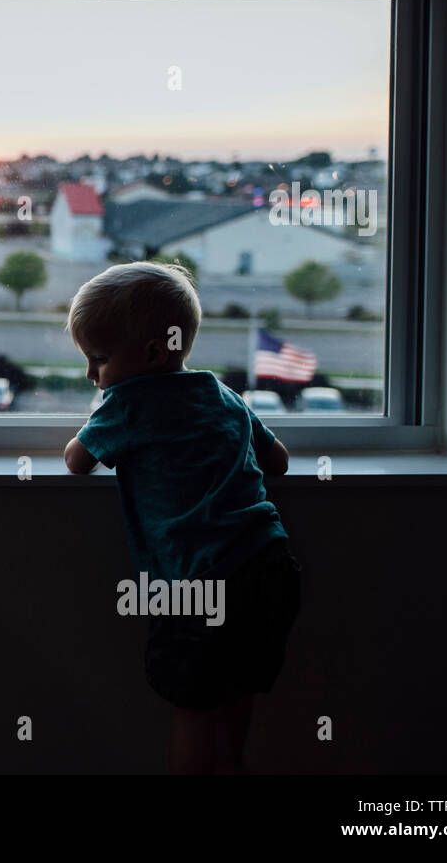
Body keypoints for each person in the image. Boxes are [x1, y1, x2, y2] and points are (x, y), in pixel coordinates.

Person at [63, 261, 301, 774]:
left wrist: (101, 411)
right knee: (236, 706)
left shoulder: (127, 403)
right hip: (267, 566)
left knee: (192, 714)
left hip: (199, 584)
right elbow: (278, 460)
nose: (91, 374)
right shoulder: (222, 394)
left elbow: (77, 461)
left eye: (98, 360)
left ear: (149, 353)